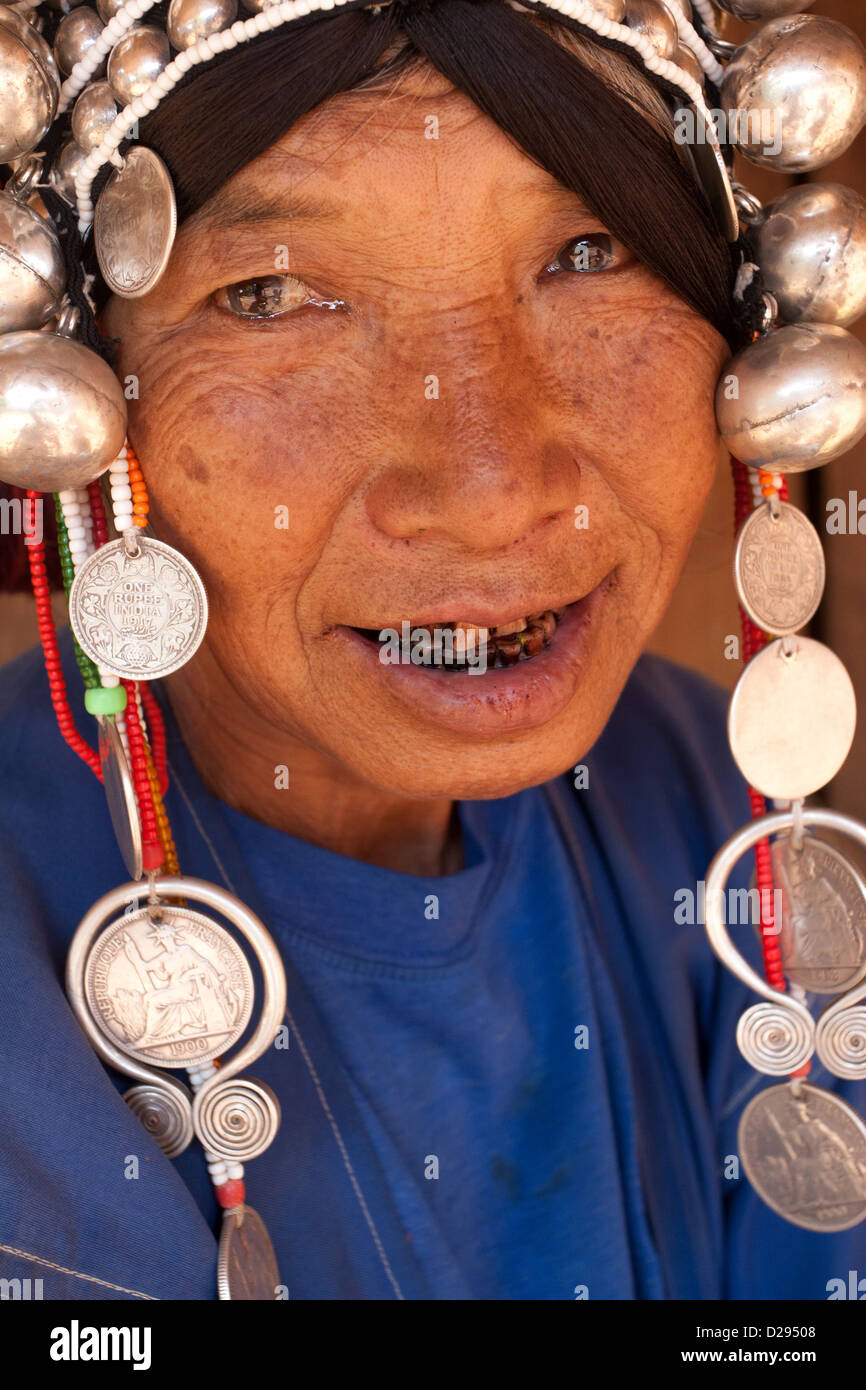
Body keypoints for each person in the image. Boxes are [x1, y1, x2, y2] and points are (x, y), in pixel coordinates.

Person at [1, 0, 866, 1301]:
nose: (487, 483)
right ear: (83, 378)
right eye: (271, 294)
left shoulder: (718, 805)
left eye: (590, 249)